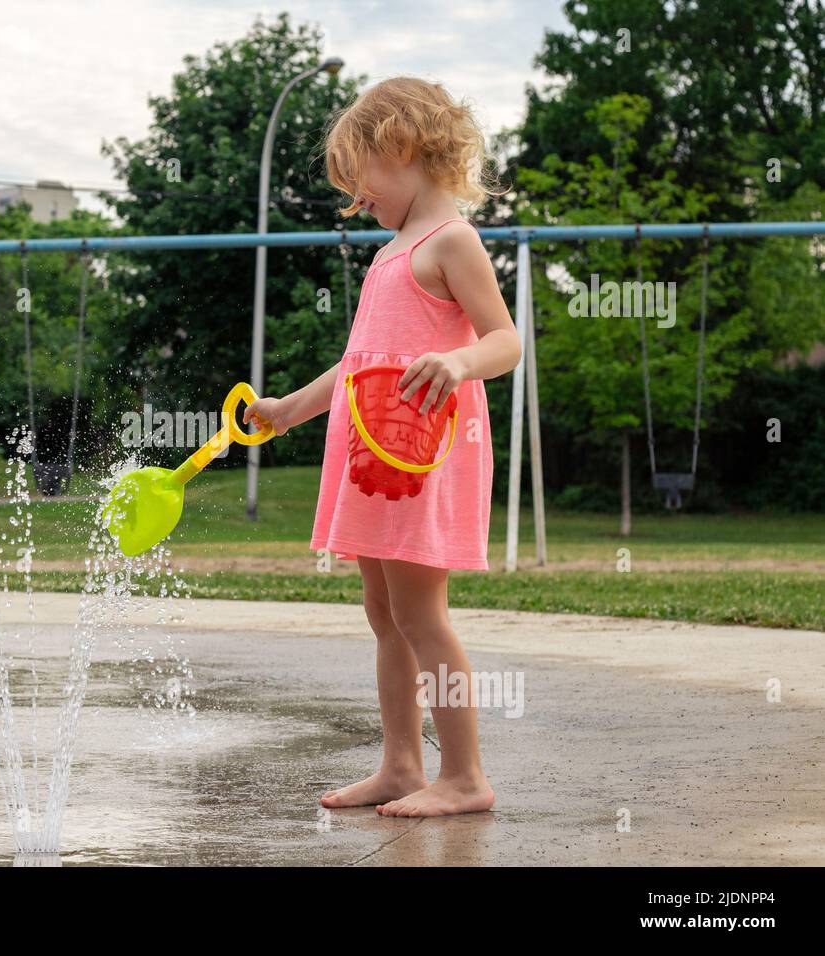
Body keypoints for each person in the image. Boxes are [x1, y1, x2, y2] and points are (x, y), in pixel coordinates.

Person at [244, 77, 520, 817]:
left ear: (401, 145)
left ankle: (464, 775)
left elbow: (505, 341)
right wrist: (287, 411)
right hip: (371, 459)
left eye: (359, 179)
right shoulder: (392, 253)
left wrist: (459, 363)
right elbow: (358, 365)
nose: (356, 199)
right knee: (383, 612)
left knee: (422, 615)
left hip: (423, 453)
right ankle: (401, 763)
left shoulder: (450, 240)